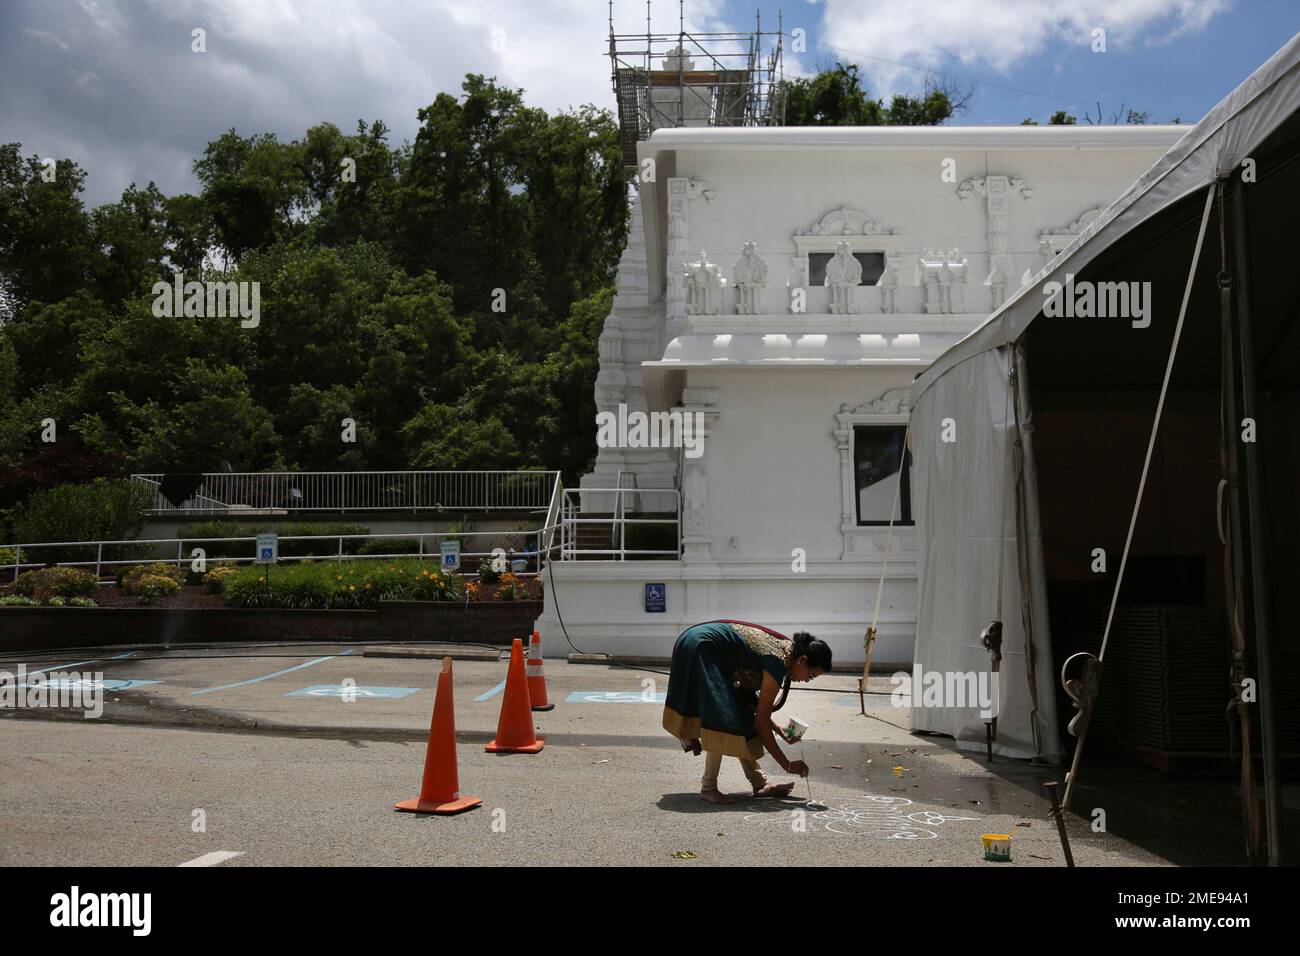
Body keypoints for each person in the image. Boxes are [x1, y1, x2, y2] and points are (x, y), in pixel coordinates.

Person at [661, 620, 832, 803]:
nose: (807, 680)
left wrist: (778, 729)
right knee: (721, 720)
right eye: (811, 675)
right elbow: (760, 723)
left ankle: (759, 783)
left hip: (696, 642)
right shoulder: (778, 662)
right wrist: (787, 765)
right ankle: (708, 787)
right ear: (802, 660)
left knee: (738, 714)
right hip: (701, 647)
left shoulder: (786, 652)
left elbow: (751, 705)